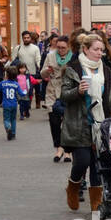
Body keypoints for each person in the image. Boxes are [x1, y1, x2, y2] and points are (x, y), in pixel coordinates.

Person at [60, 33, 111, 212]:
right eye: (96, 49)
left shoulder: (105, 69)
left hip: (100, 124)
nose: (99, 53)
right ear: (86, 49)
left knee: (98, 164)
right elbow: (64, 96)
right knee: (82, 162)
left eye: (101, 50)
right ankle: (72, 187)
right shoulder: (72, 69)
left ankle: (97, 203)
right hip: (79, 124)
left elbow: (110, 94)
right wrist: (78, 91)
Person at [42, 34, 73, 162]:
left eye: (63, 48)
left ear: (68, 47)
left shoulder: (73, 57)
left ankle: (68, 152)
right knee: (54, 121)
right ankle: (58, 148)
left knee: (68, 122)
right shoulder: (50, 56)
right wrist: (47, 71)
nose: (60, 50)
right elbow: (42, 73)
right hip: (53, 91)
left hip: (68, 90)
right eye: (58, 47)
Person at [0, 66, 25, 140]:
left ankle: (8, 128)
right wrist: (25, 92)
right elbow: (21, 94)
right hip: (14, 105)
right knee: (13, 119)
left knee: (6, 119)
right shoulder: (16, 84)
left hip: (6, 105)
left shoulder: (3, 83)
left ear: (7, 75)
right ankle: (13, 133)